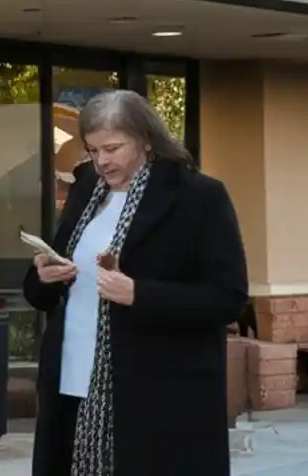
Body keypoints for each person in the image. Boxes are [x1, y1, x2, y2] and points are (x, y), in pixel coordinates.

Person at [23, 90, 248, 476]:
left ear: (146, 140)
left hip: (159, 395)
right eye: (93, 151)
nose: (101, 161)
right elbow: (43, 290)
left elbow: (228, 297)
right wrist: (46, 276)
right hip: (74, 383)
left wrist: (140, 294)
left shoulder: (198, 197)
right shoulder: (85, 193)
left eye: (112, 148)